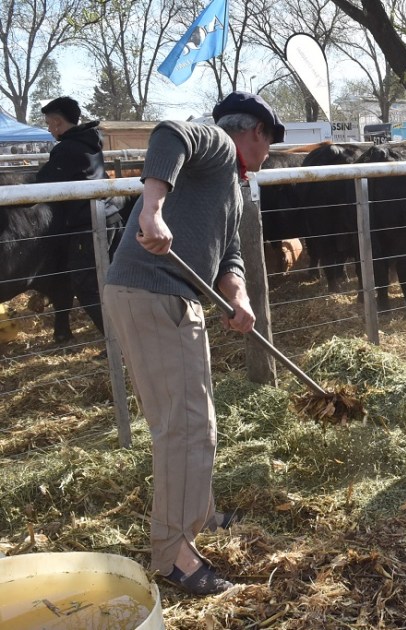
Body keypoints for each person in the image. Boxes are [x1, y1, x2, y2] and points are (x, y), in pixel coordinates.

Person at [103, 91, 284, 595]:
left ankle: (199, 514)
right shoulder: (219, 146)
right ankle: (174, 556)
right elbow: (170, 132)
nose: (268, 152)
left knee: (197, 421)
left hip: (178, 298)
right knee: (184, 427)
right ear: (256, 132)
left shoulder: (231, 186)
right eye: (270, 140)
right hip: (153, 291)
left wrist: (238, 297)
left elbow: (229, 256)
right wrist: (151, 210)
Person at [36, 96, 123, 336]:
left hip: (88, 225)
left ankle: (118, 343)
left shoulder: (66, 149)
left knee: (85, 286)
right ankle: (128, 336)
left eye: (49, 124)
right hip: (111, 216)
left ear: (57, 122)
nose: (49, 129)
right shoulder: (91, 141)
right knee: (113, 281)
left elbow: (42, 183)